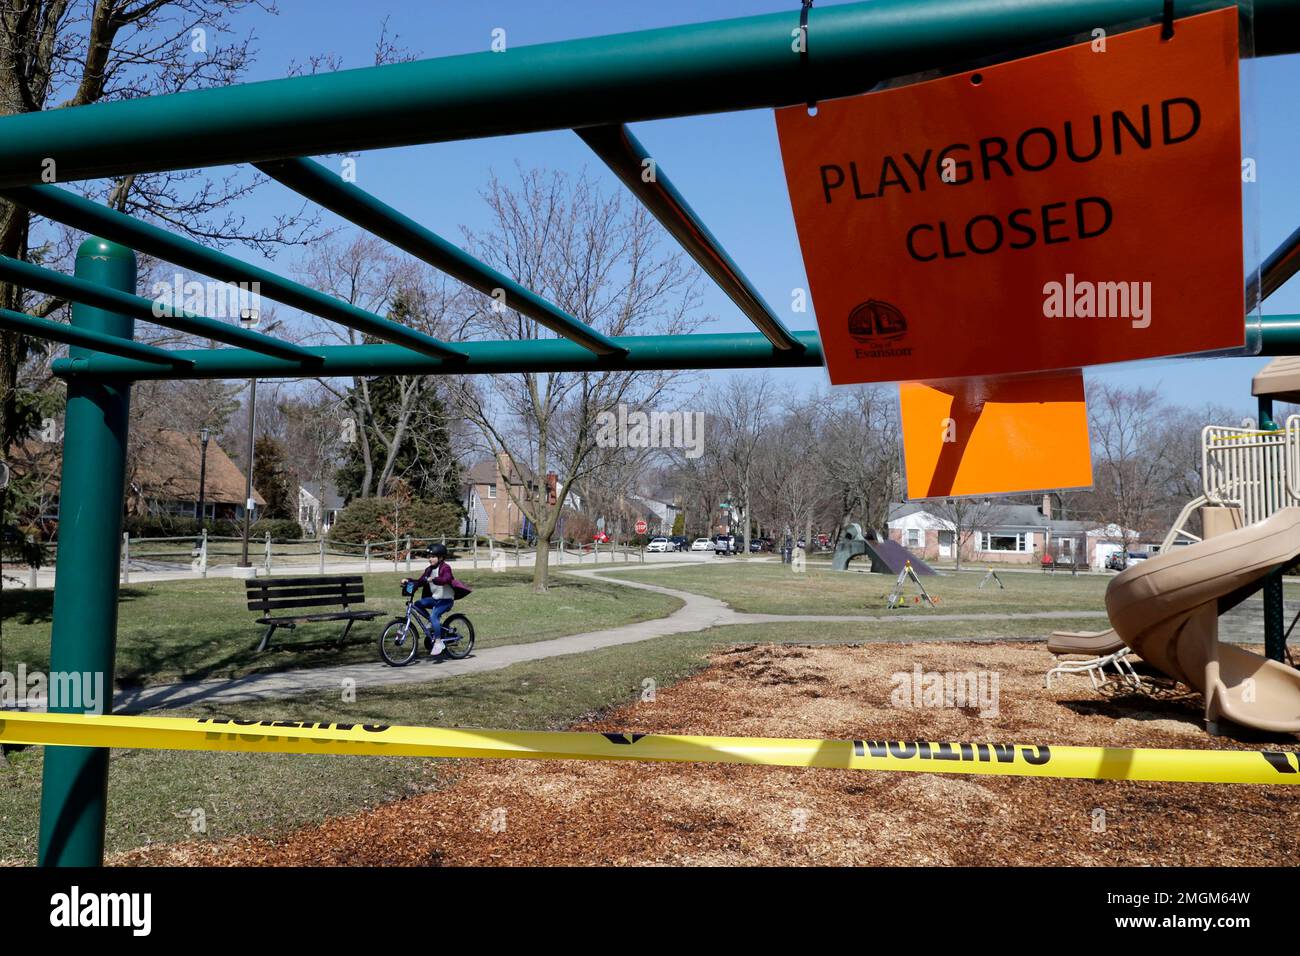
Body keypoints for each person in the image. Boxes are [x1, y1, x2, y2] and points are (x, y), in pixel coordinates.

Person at [403, 544, 471, 656]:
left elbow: (446, 579)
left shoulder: (445, 568)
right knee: (418, 604)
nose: (430, 559)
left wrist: (434, 579)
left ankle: (438, 642)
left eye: (433, 556)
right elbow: (420, 582)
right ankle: (433, 623)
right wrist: (408, 580)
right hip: (435, 599)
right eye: (429, 556)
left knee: (435, 615)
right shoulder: (428, 570)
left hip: (446, 600)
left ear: (441, 558)